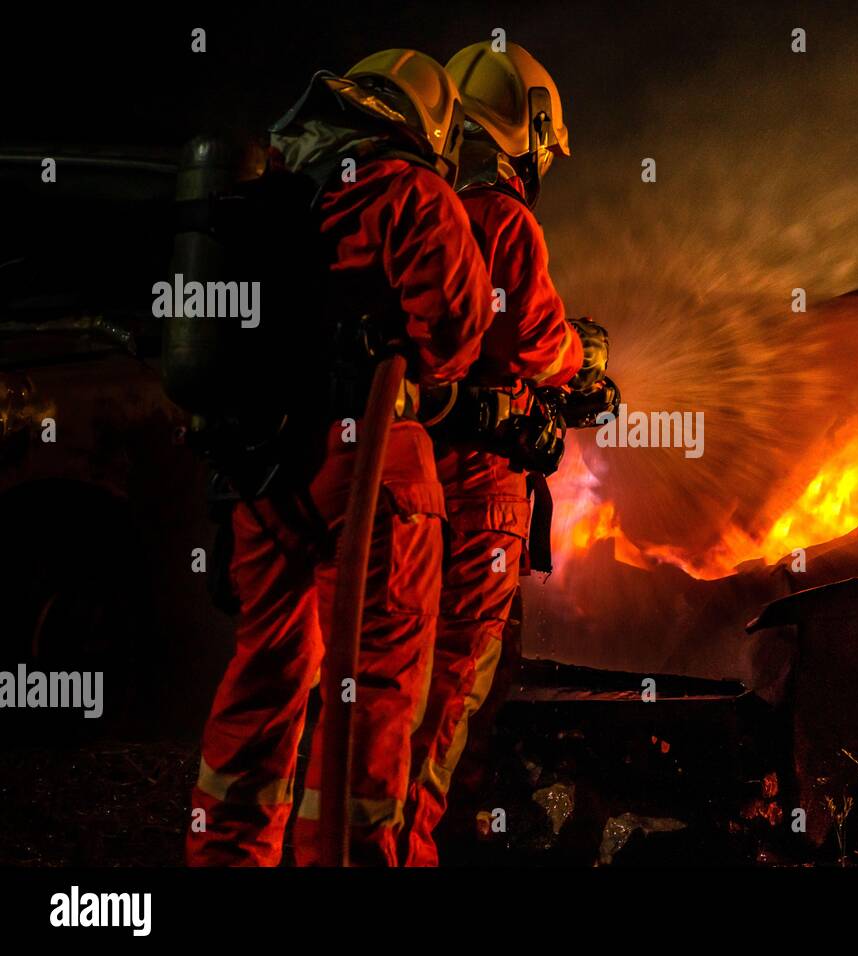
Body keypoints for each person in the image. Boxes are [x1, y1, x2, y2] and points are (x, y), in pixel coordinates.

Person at [186, 49, 494, 866]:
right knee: (371, 698)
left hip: (262, 473)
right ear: (429, 128)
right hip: (369, 480)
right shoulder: (411, 193)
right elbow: (457, 336)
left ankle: (224, 857)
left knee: (265, 681)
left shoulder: (274, 190)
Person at [404, 40, 607, 865]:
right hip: (484, 482)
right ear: (530, 131)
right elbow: (529, 335)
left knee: (406, 669)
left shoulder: (432, 206)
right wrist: (582, 363)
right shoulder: (503, 216)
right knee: (457, 679)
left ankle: (414, 828)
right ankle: (422, 838)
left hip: (419, 470)